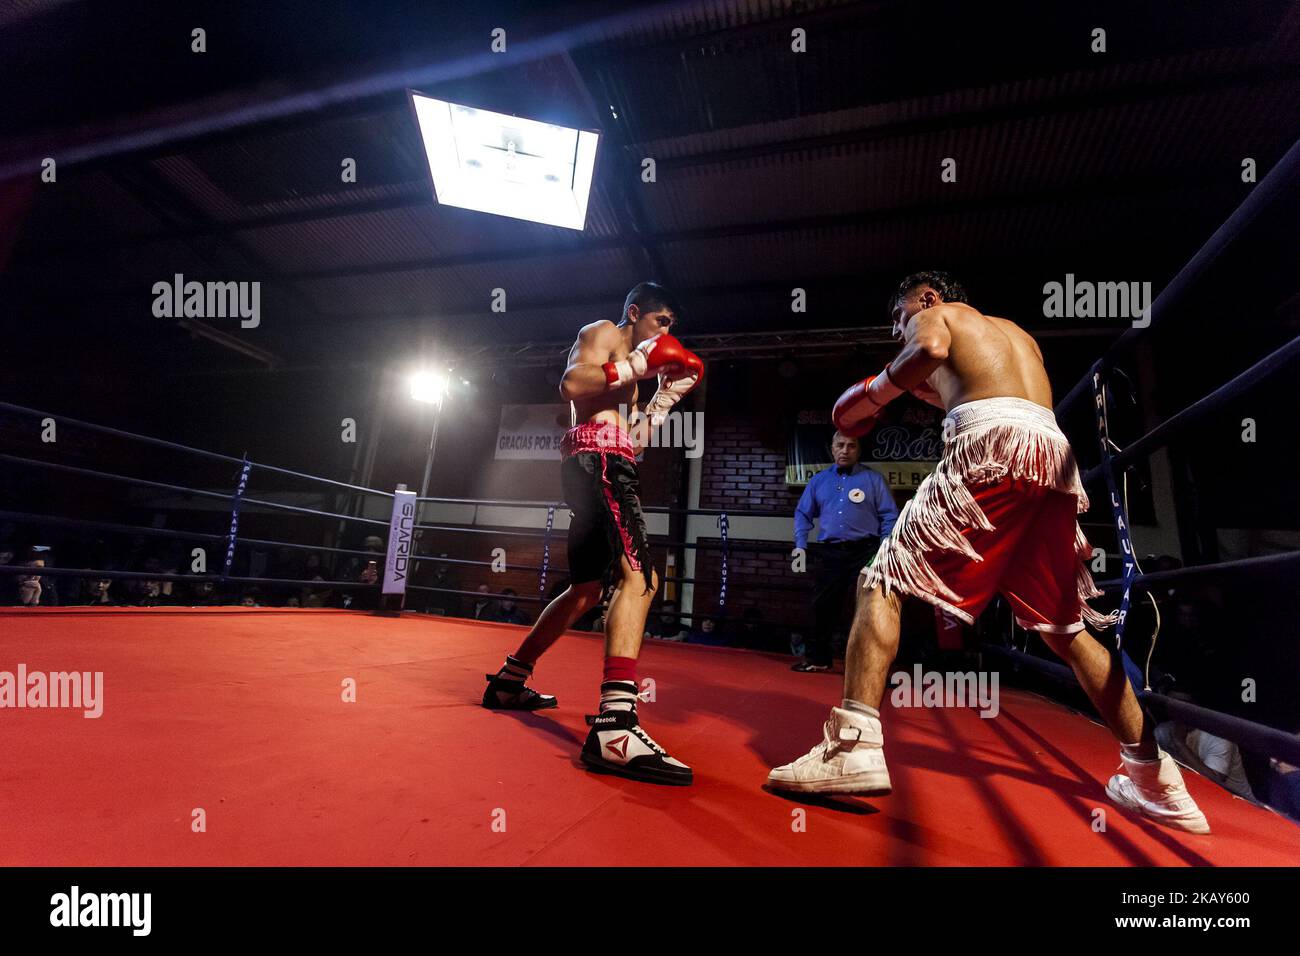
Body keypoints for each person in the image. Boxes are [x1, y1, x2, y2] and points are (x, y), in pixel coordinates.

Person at [766, 271, 1210, 834]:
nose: (897, 330)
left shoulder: (937, 317)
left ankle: (849, 749)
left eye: (897, 317)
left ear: (926, 298)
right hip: (1052, 459)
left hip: (992, 448)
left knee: (881, 578)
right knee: (1065, 627)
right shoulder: (1013, 335)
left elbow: (927, 346)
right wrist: (915, 388)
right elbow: (965, 378)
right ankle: (1156, 780)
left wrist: (878, 389)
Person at [480, 281, 703, 785]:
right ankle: (616, 726)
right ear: (635, 312)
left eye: (672, 327)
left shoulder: (639, 373)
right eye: (661, 322)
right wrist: (638, 366)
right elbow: (572, 385)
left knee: (583, 592)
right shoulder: (603, 332)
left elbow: (636, 441)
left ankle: (510, 681)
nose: (667, 333)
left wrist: (666, 398)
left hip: (608, 460)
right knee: (641, 578)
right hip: (598, 459)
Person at [792, 431, 898, 672]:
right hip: (831, 553)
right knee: (823, 606)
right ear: (832, 448)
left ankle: (875, 668)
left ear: (858, 451)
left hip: (867, 551)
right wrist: (800, 544)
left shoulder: (873, 480)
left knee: (873, 609)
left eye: (851, 446)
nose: (845, 450)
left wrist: (884, 549)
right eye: (840, 445)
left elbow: (889, 516)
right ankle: (819, 659)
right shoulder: (819, 481)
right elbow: (802, 513)